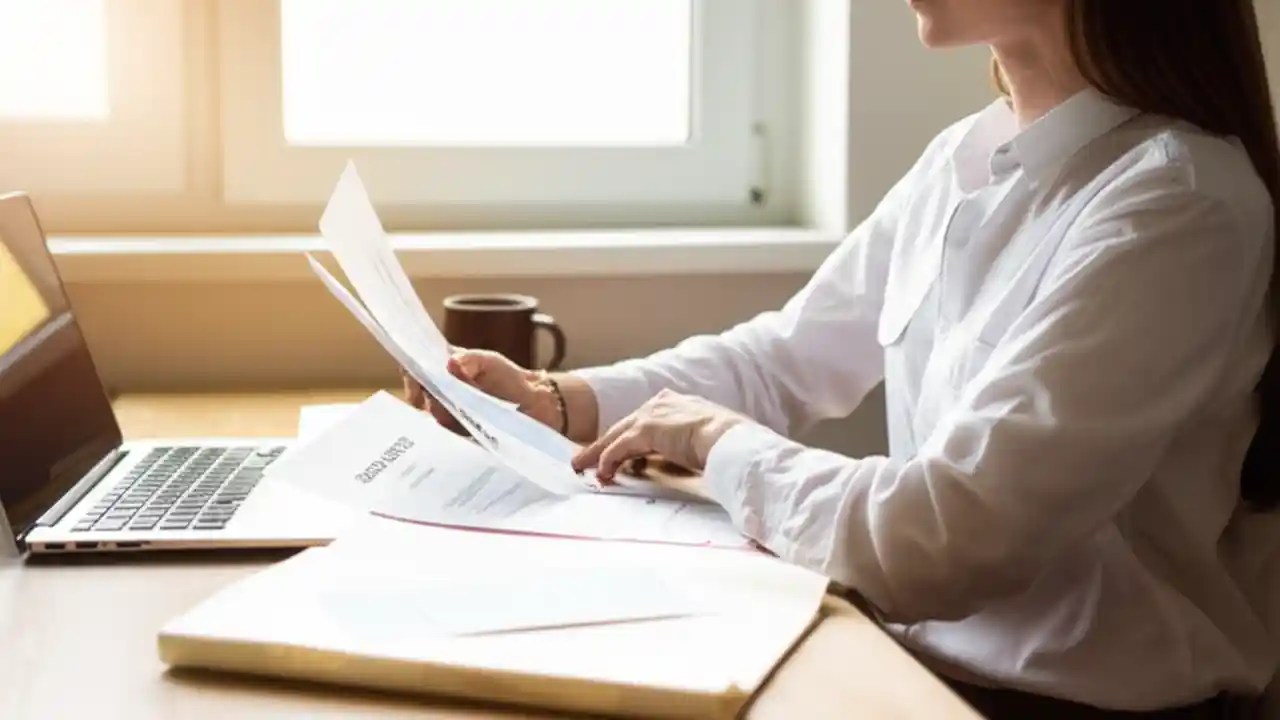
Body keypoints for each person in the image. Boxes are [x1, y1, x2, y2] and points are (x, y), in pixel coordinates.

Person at [405, 1, 1280, 717]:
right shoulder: (969, 158)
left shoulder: (1176, 204)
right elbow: (787, 357)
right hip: (917, 667)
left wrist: (717, 441)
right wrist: (559, 401)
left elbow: (945, 535)